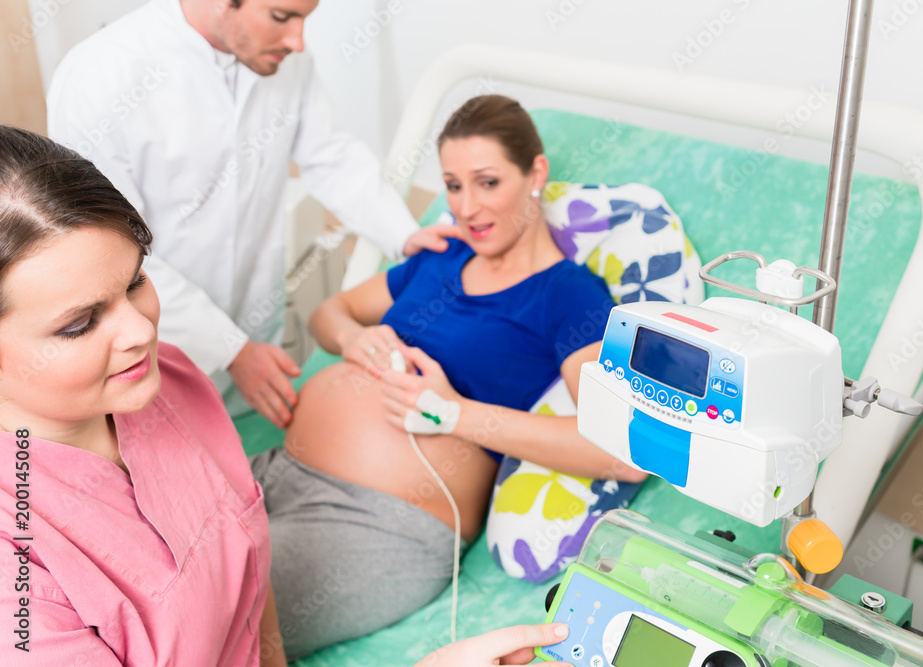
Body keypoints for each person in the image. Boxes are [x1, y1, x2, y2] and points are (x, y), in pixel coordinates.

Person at [0, 126, 573, 666]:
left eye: (134, 282)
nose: (142, 332)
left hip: (381, 510)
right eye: (78, 324)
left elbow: (251, 582)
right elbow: (336, 315)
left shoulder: (163, 381)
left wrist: (458, 414)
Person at [256, 95, 647, 658]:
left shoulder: (566, 296)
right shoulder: (439, 257)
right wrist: (352, 338)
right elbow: (328, 314)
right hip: (278, 472)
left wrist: (454, 413)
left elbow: (621, 451)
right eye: (453, 185)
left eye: (488, 182)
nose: (467, 207)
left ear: (536, 173)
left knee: (214, 623)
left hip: (378, 522)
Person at [46, 0, 458, 429]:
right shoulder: (99, 79)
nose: (298, 41)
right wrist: (231, 351)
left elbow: (331, 155)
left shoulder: (282, 60)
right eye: (282, 17)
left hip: (254, 322)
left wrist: (405, 234)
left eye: (305, 19)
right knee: (161, 455)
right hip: (152, 344)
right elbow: (111, 252)